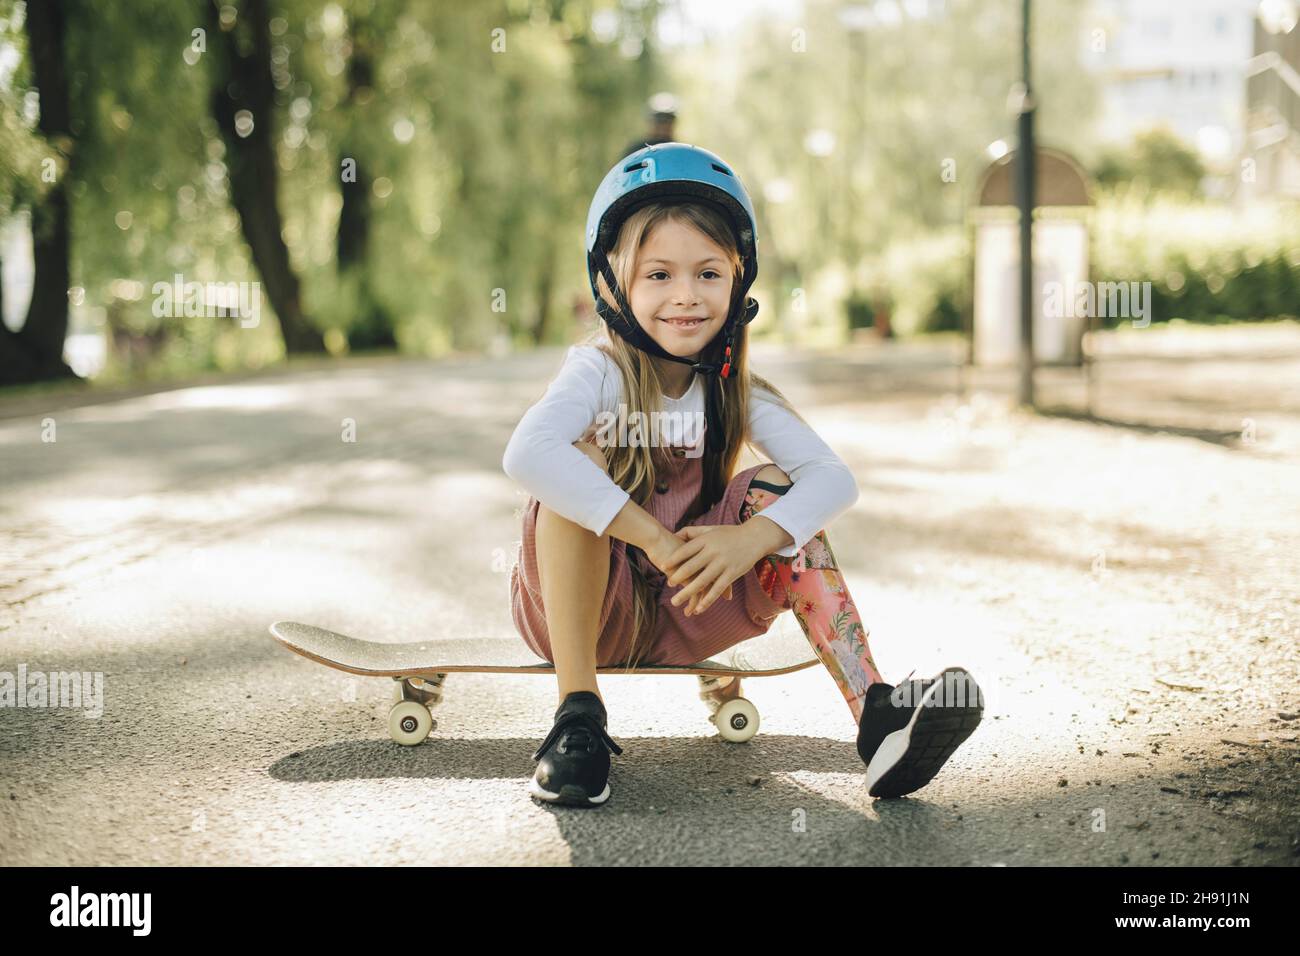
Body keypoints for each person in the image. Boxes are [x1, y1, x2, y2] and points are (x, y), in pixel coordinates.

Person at [502, 142, 983, 808]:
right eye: (659, 274)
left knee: (777, 491)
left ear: (737, 279)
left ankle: (878, 717)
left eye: (708, 273)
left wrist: (751, 539)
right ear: (614, 283)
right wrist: (653, 538)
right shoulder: (598, 373)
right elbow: (526, 453)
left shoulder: (735, 390)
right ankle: (576, 718)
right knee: (569, 462)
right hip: (585, 618)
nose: (686, 296)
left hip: (693, 607)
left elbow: (833, 479)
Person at [618, 91, 678, 163]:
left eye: (668, 119)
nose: (663, 125)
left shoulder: (679, 150)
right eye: (659, 120)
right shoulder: (635, 151)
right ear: (650, 121)